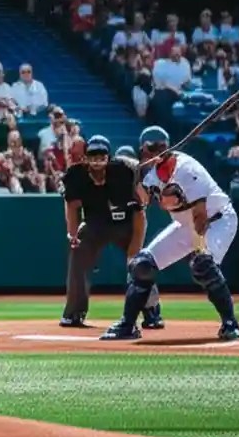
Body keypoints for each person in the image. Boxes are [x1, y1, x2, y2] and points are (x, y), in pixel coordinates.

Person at [102, 126, 239, 341]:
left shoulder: (188, 170)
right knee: (142, 265)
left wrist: (198, 251)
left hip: (217, 221)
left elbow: (200, 217)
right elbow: (144, 201)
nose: (157, 150)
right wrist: (137, 179)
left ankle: (231, 324)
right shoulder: (151, 174)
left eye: (161, 146)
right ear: (144, 151)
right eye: (152, 147)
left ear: (168, 147)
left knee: (203, 265)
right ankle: (128, 325)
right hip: (183, 224)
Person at [59, 135, 163, 329]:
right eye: (92, 156)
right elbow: (72, 206)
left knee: (140, 262)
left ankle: (151, 310)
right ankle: (74, 312)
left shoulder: (125, 174)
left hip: (126, 225)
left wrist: (135, 250)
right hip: (94, 224)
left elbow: (140, 214)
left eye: (101, 156)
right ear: (86, 158)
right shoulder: (76, 176)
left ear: (109, 157)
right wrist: (72, 234)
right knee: (78, 252)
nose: (97, 161)